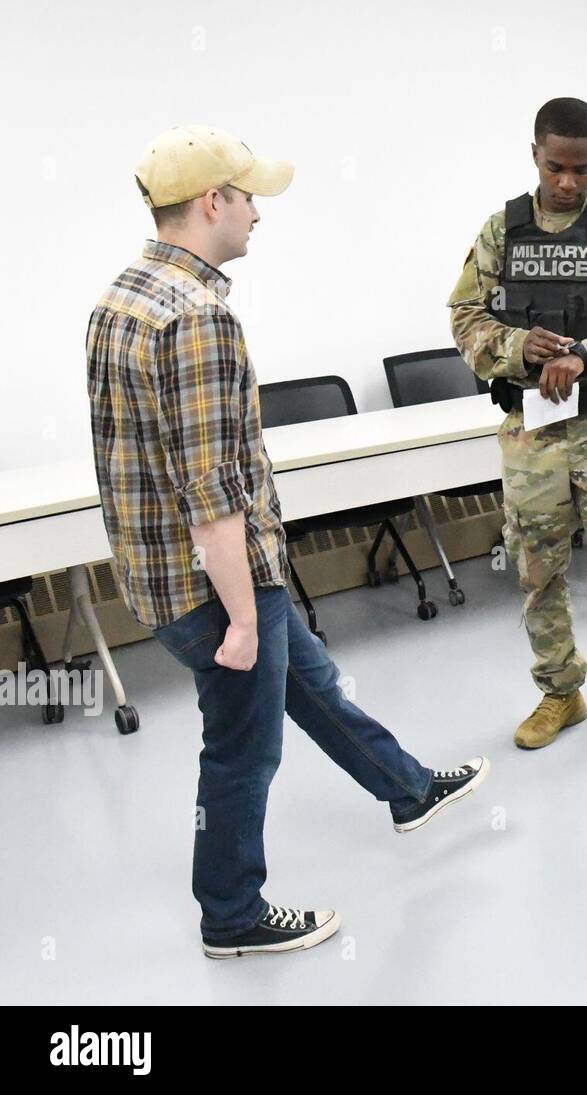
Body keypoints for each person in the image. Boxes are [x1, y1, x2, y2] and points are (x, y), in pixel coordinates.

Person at [87, 125, 488, 959]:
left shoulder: (122, 296)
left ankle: (408, 788)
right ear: (211, 203)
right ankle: (232, 916)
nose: (257, 214)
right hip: (218, 586)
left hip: (166, 577)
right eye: (247, 197)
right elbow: (210, 492)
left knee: (314, 686)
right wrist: (240, 616)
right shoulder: (197, 319)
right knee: (243, 750)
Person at [449, 98, 587, 756]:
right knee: (537, 565)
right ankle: (560, 690)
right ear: (534, 155)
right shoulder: (503, 232)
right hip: (533, 428)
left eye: (582, 168)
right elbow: (464, 318)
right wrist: (517, 346)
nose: (570, 181)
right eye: (557, 166)